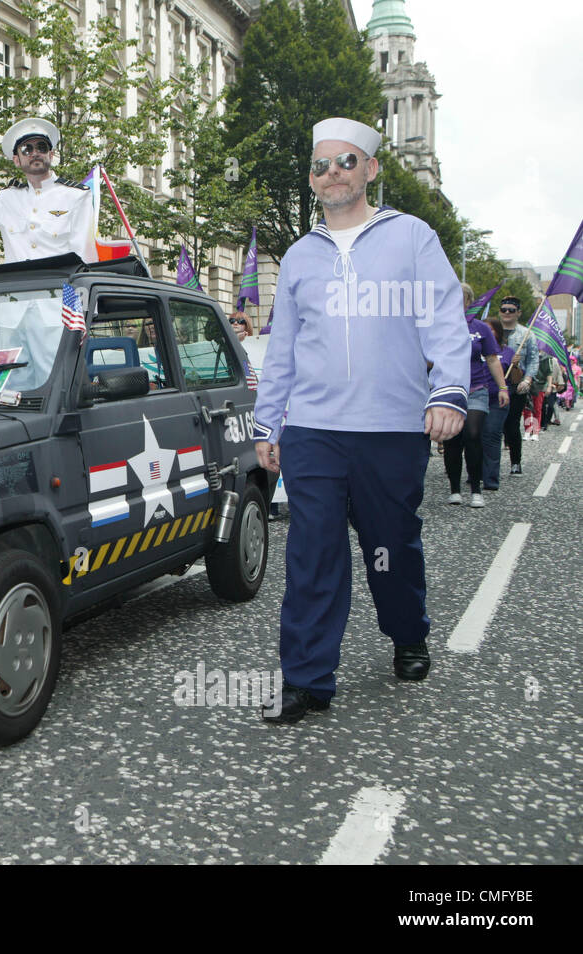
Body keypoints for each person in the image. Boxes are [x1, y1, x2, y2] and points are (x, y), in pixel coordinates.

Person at [253, 117, 469, 725]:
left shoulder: (412, 237)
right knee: (312, 551)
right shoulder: (298, 256)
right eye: (320, 166)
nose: (331, 174)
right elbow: (284, 348)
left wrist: (448, 392)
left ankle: (408, 632)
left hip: (392, 428)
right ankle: (307, 678)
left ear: (371, 168)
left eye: (345, 162)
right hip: (315, 431)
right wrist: (268, 426)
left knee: (389, 547)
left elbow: (444, 319)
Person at [0, 116, 96, 263]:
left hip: (59, 287)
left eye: (41, 147)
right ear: (16, 160)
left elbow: (83, 257)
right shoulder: (7, 199)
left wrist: (68, 291)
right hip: (18, 288)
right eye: (26, 149)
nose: (35, 153)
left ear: (51, 154)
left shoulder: (77, 196)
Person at [443, 283, 508, 507]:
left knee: (472, 434)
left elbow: (492, 358)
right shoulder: (441, 326)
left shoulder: (481, 328)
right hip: (449, 389)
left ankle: (476, 489)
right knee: (452, 438)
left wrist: (502, 387)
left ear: (469, 301)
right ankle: (454, 489)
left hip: (476, 389)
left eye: (460, 298)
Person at [498, 297, 539, 474]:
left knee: (512, 425)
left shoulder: (527, 334)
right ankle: (487, 464)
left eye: (511, 310)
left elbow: (533, 360)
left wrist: (527, 380)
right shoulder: (492, 331)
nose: (507, 313)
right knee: (491, 427)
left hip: (516, 386)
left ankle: (516, 462)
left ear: (518, 313)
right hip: (493, 385)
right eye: (504, 309)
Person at [481, 319, 515, 491]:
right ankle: (476, 471)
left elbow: (515, 378)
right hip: (476, 397)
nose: (486, 332)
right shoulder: (475, 349)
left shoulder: (508, 352)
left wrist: (516, 367)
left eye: (490, 329)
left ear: (498, 332)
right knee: (474, 436)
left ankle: (491, 478)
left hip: (497, 400)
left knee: (492, 435)